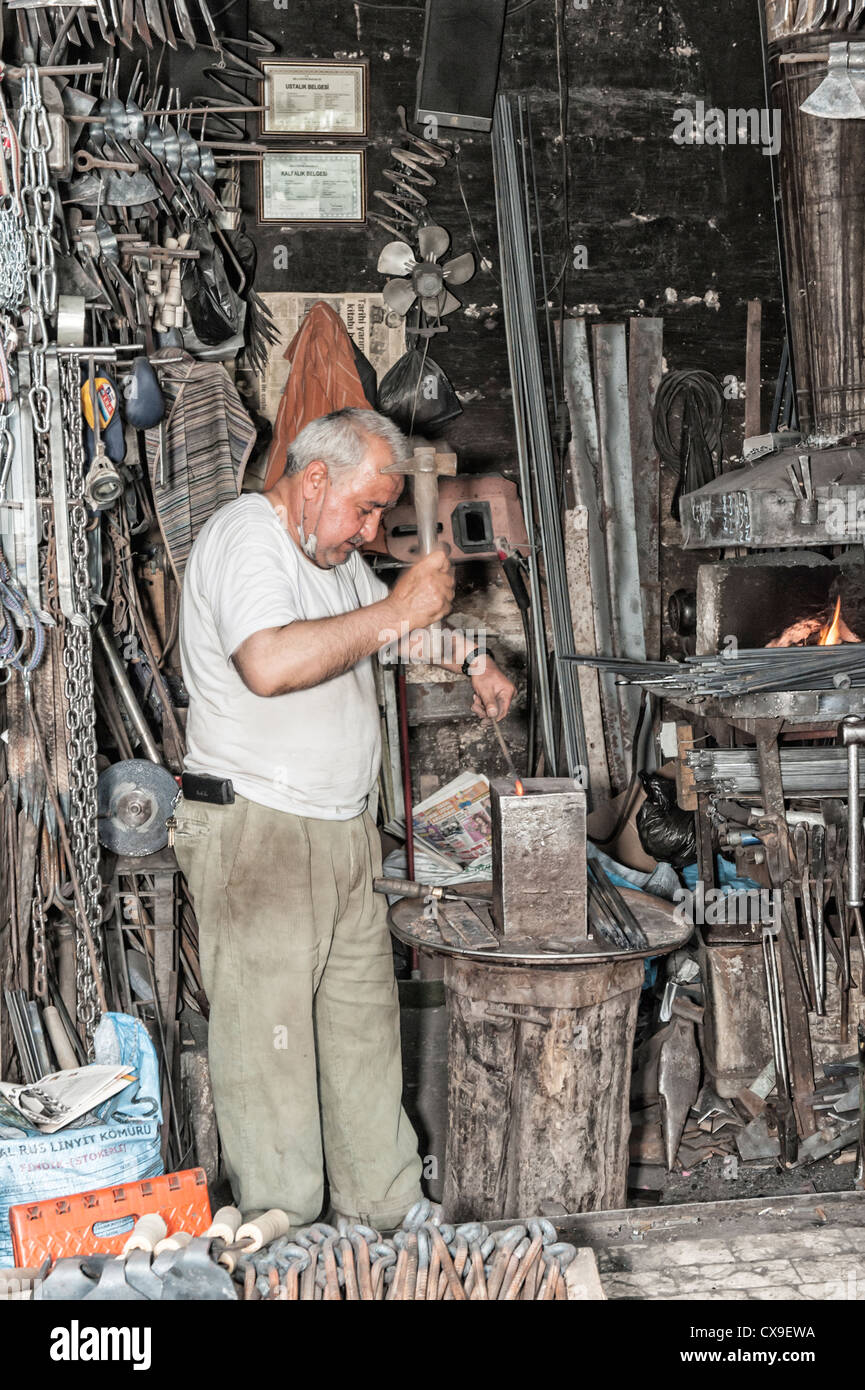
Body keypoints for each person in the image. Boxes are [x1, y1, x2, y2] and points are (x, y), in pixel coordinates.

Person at [172, 407, 515, 1227]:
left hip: (339, 830)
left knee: (363, 1032)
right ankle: (279, 1227)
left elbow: (381, 637)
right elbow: (270, 662)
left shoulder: (328, 556)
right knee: (271, 1048)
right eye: (365, 508)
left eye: (382, 514)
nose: (370, 530)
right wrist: (398, 609)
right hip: (259, 830)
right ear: (314, 478)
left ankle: (388, 1215)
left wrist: (467, 654)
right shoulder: (248, 537)